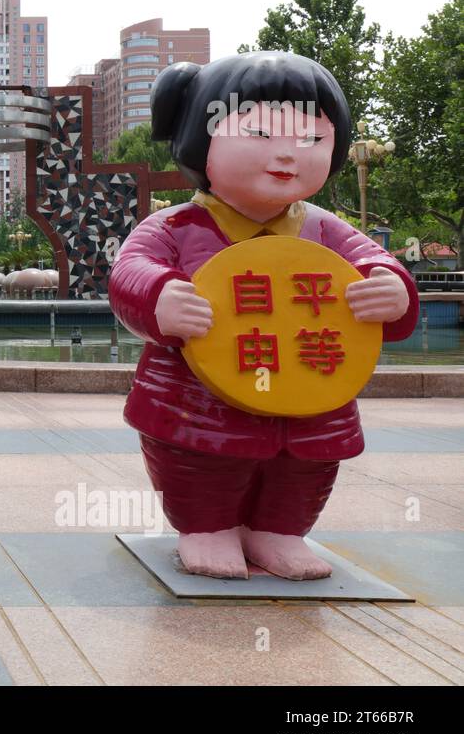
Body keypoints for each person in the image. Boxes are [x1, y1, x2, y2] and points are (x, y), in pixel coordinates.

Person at [109, 51, 418, 580]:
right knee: (202, 462)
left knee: (306, 467)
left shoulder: (325, 229)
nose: (286, 156)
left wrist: (392, 292)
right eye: (257, 134)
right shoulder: (177, 226)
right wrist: (159, 295)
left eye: (311, 140)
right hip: (197, 399)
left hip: (312, 388)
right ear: (199, 139)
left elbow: (376, 263)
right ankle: (206, 528)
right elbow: (129, 271)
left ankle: (279, 531)